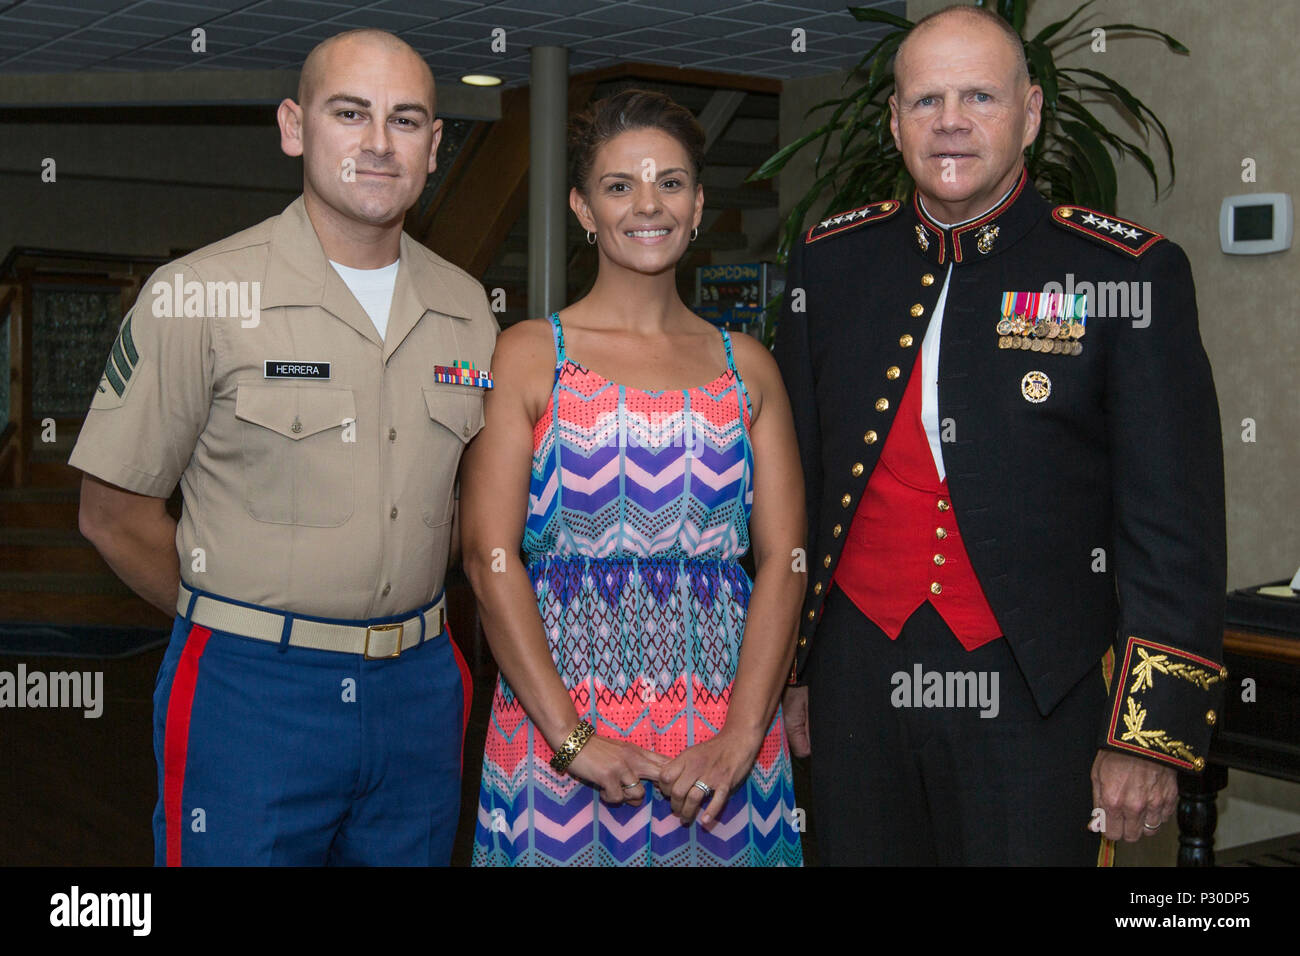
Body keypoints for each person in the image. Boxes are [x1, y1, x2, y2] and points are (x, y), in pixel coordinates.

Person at [773, 4, 1226, 865]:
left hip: (1034, 694)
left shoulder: (1122, 273)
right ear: (894, 120)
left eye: (979, 96)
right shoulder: (832, 261)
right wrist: (790, 673)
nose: (950, 121)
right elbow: (795, 478)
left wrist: (1148, 735)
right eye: (925, 100)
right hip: (855, 686)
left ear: (1031, 114)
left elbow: (1175, 524)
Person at [70, 29, 497, 865]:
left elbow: (458, 506)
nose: (379, 143)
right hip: (251, 693)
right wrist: (238, 623)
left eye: (406, 121)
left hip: (418, 691)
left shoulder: (467, 309)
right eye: (351, 114)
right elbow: (111, 516)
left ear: (436, 147)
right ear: (294, 128)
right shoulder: (197, 295)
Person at [463, 89, 804, 866]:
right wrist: (573, 737)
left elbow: (785, 563)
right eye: (620, 186)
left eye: (671, 183)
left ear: (697, 203)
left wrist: (740, 738)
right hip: (561, 728)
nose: (648, 205)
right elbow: (488, 560)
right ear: (583, 208)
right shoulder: (527, 353)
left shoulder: (747, 368)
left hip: (720, 740)